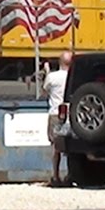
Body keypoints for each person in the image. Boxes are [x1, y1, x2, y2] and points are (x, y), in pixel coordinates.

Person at [43, 51, 73, 186]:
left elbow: (45, 91)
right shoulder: (74, 77)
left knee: (55, 146)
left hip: (55, 113)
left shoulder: (52, 77)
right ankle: (71, 175)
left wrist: (47, 71)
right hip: (71, 114)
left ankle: (55, 176)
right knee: (71, 145)